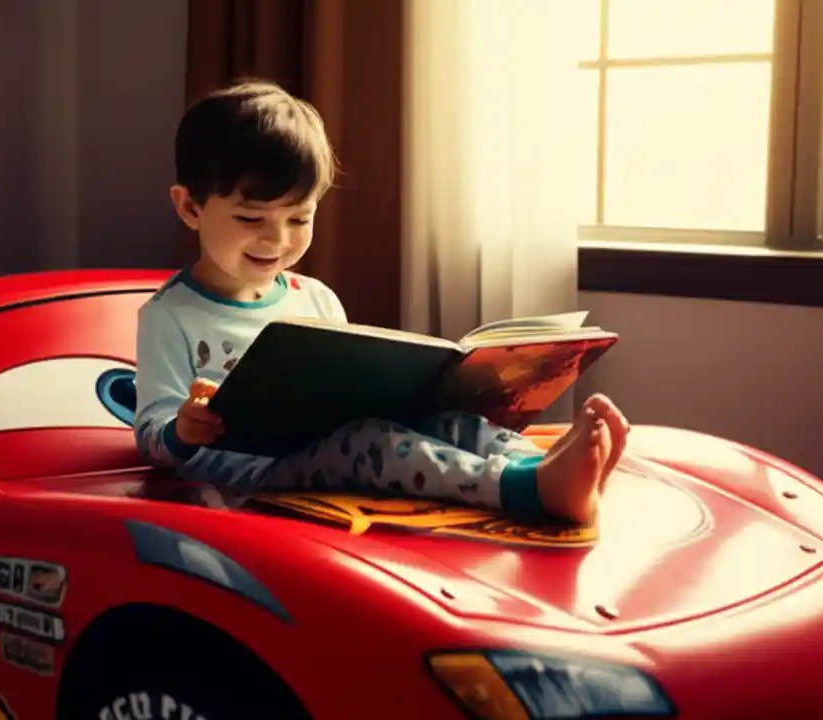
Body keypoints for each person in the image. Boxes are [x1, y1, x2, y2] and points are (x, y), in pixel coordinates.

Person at [133, 79, 628, 524]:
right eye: (250, 219)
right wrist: (183, 428)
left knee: (446, 422)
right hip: (258, 472)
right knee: (377, 445)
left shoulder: (317, 298)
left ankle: (544, 465)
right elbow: (152, 434)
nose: (276, 240)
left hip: (328, 445)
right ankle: (527, 489)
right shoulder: (170, 316)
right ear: (189, 207)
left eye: (298, 219)